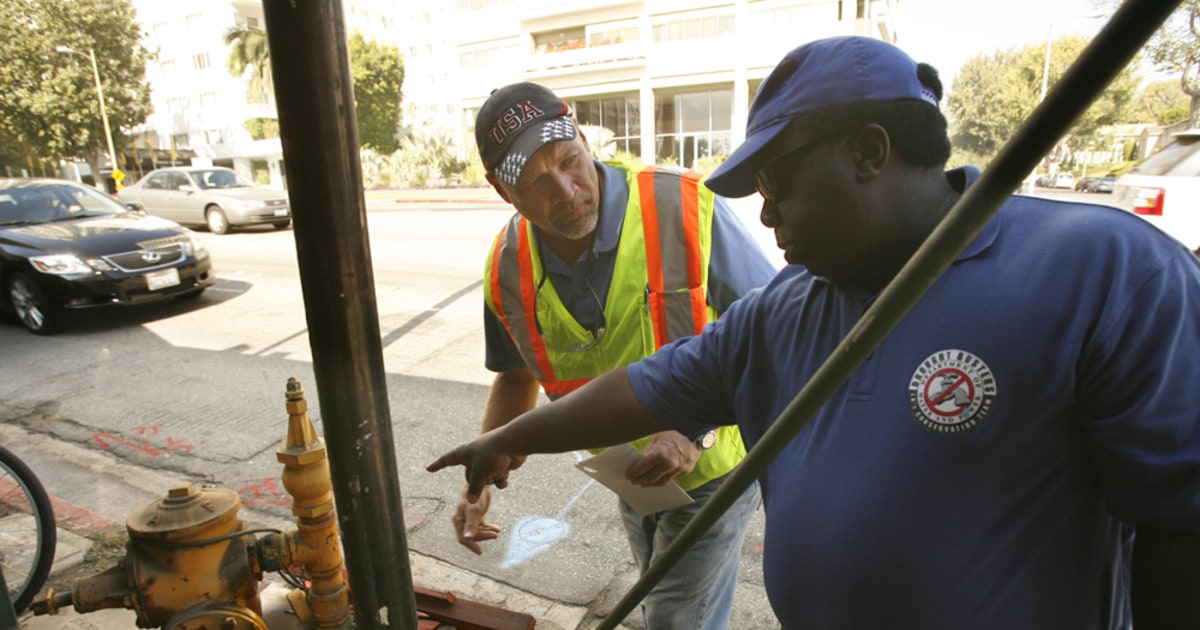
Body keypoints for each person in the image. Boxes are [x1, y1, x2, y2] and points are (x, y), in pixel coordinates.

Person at [429, 37, 1200, 629]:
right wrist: (509, 439)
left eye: (779, 185)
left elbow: (1178, 528)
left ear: (868, 151)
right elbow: (646, 388)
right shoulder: (787, 309)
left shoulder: (1104, 273)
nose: (765, 217)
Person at [454, 81, 778, 629]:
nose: (566, 191)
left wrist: (691, 429)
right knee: (664, 606)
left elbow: (775, 329)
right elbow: (515, 378)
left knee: (677, 620)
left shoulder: (682, 206)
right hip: (631, 477)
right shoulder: (506, 268)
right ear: (501, 190)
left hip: (718, 464)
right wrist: (478, 481)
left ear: (583, 136)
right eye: (536, 182)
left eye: (570, 160)